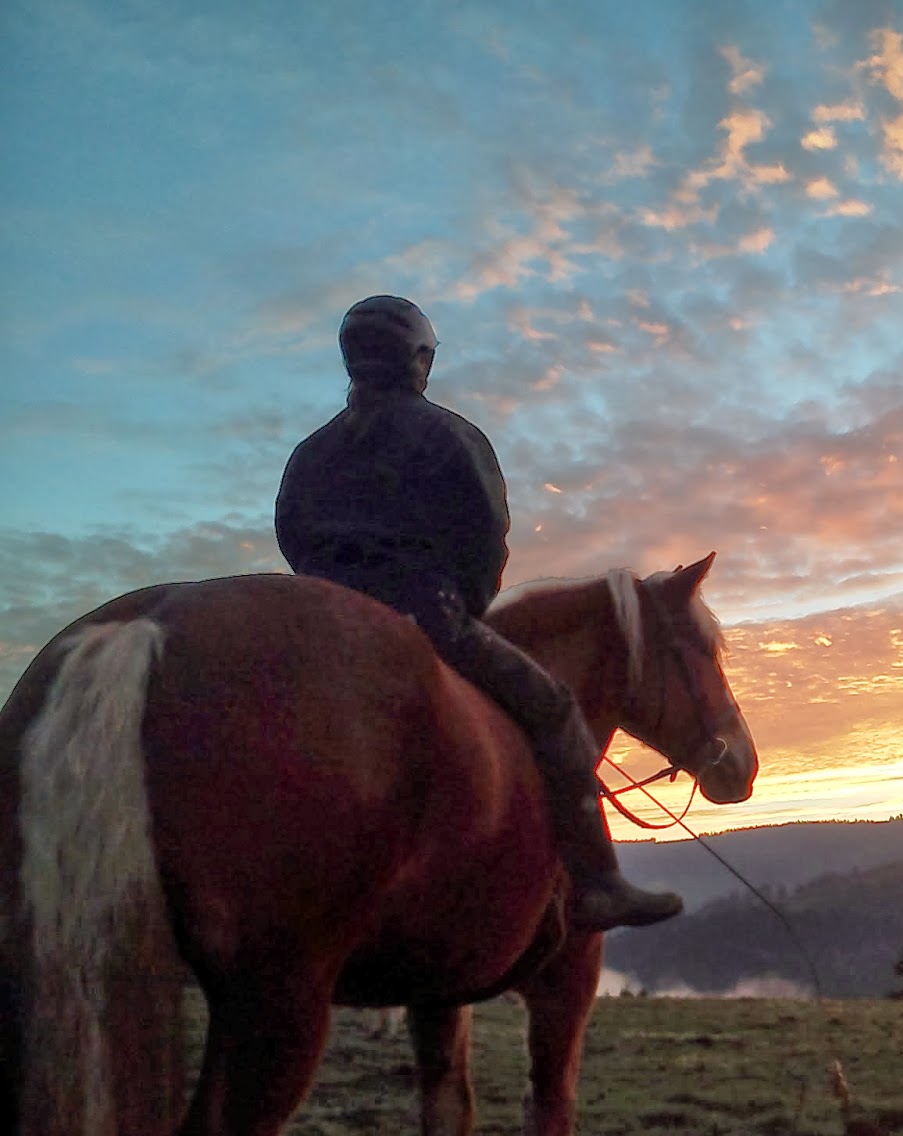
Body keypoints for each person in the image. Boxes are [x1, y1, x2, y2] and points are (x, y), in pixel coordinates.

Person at [275, 294, 682, 930]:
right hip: (427, 615)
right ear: (418, 358)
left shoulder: (311, 451)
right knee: (553, 708)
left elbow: (292, 536)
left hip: (322, 620)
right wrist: (463, 609)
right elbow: (485, 536)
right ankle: (598, 881)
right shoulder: (450, 435)